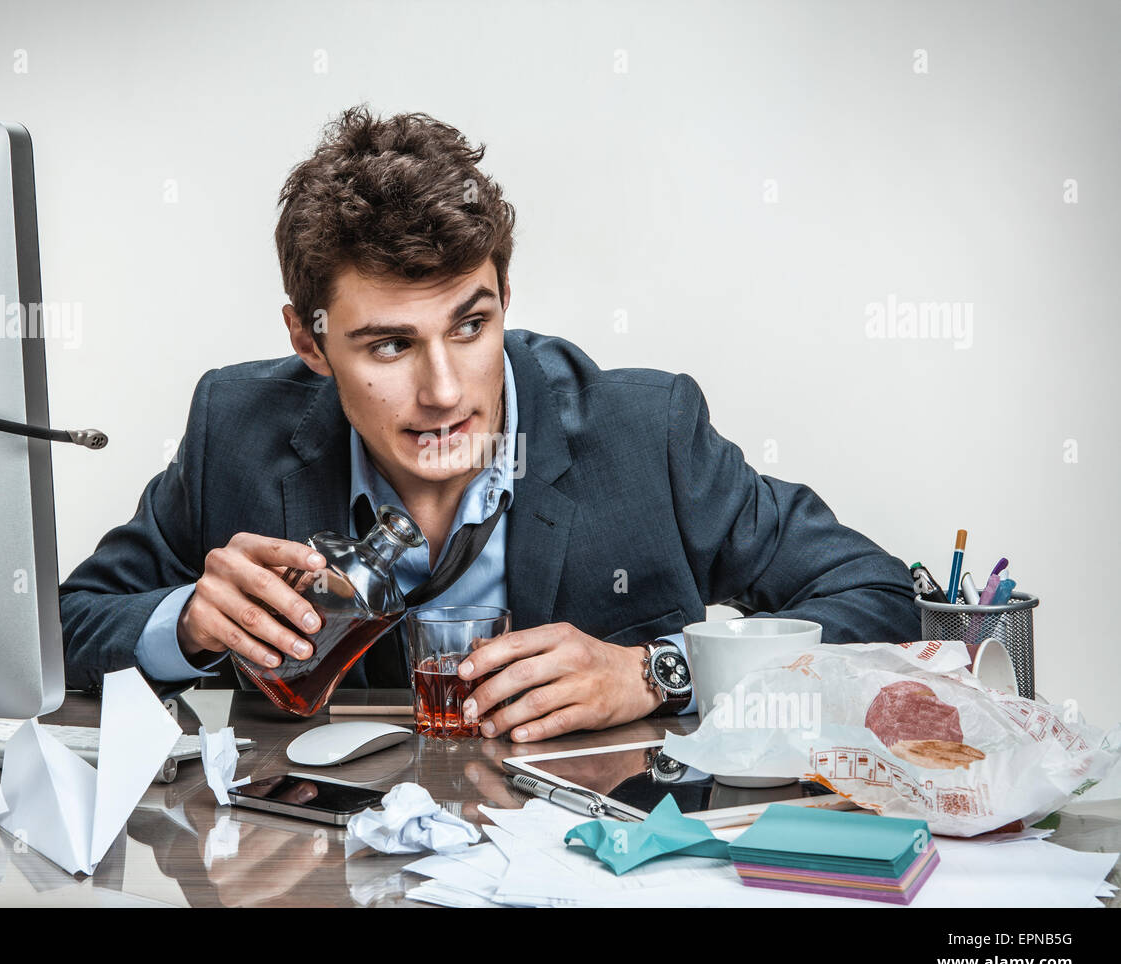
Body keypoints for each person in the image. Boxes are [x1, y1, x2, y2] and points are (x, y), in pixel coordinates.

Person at [59, 105, 919, 743]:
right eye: (390, 344)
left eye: (471, 325)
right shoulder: (234, 428)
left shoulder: (646, 432)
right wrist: (187, 622)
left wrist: (658, 671)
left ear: (506, 297)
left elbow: (880, 601)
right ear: (309, 342)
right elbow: (63, 626)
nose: (444, 391)